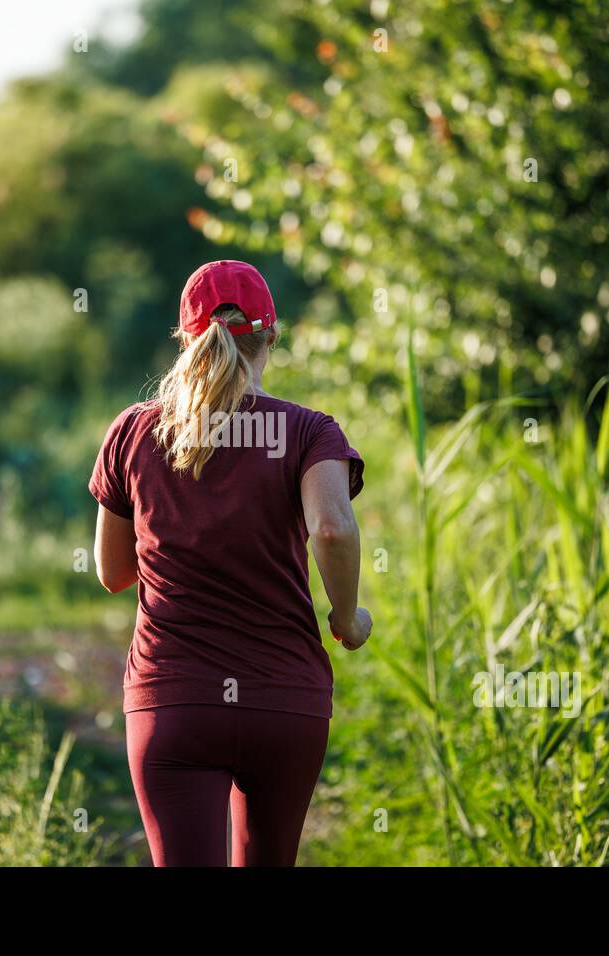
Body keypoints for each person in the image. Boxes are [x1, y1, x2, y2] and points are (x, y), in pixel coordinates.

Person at [89, 259, 372, 866]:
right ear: (270, 337)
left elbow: (112, 572)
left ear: (184, 338)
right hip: (285, 701)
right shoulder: (309, 431)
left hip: (174, 702)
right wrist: (347, 620)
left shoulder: (134, 433)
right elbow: (331, 526)